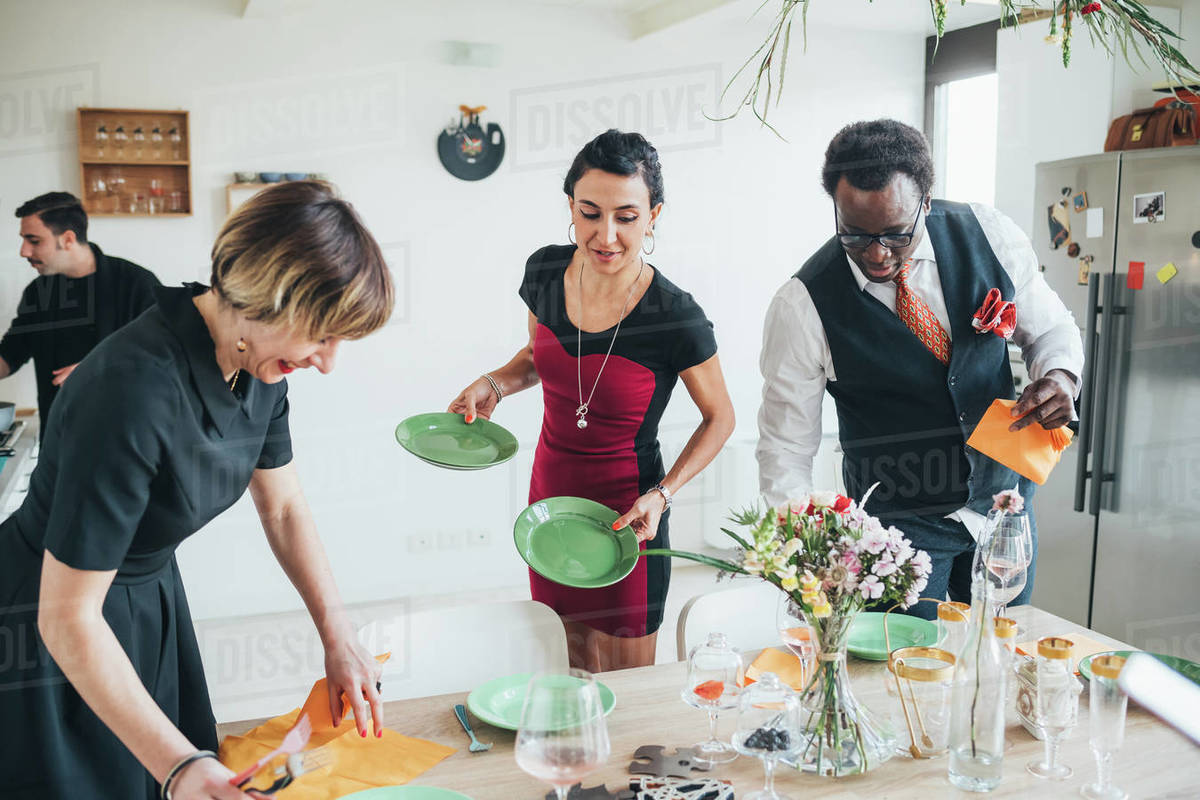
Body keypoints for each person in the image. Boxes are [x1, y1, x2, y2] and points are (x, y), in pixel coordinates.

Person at [0, 181, 394, 799]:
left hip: (148, 599)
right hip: (52, 616)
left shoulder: (260, 367)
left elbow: (285, 507)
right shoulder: (130, 391)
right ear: (268, 298)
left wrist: (338, 636)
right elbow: (66, 617)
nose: (329, 361)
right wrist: (179, 766)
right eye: (322, 335)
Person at [757, 119, 1083, 619]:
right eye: (855, 234)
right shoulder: (803, 304)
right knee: (903, 677)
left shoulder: (987, 234)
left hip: (1003, 508)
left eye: (894, 233)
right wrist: (805, 553)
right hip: (895, 532)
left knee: (999, 659)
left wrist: (1060, 375)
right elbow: (785, 448)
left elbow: (1051, 329)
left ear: (925, 202)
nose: (876, 254)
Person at [449, 130, 735, 671]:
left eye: (626, 217)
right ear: (572, 210)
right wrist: (494, 383)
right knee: (567, 665)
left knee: (629, 687)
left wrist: (664, 495)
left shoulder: (676, 316)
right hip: (550, 501)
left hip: (631, 514)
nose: (606, 235)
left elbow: (720, 418)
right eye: (590, 213)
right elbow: (536, 358)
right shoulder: (543, 272)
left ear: (654, 216)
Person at [0, 192, 160, 434]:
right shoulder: (38, 292)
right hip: (59, 437)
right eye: (23, 240)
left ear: (68, 239)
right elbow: (12, 352)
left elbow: (165, 358)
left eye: (34, 240)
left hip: (127, 435)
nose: (23, 251)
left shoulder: (136, 283)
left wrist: (97, 369)